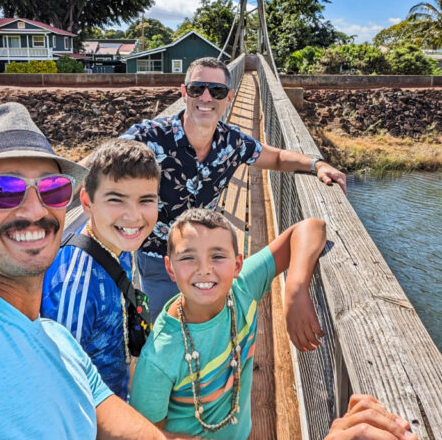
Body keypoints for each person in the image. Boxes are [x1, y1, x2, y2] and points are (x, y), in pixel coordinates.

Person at [0, 102, 417, 440]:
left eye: (48, 188)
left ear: (66, 202)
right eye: (3, 190)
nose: (33, 209)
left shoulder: (57, 346)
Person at [121, 56, 348, 319]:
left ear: (229, 98)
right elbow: (102, 162)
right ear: (184, 93)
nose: (206, 97)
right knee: (162, 332)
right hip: (158, 259)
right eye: (197, 89)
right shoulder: (150, 137)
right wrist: (64, 180)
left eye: (216, 91)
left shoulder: (233, 142)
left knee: (205, 330)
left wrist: (316, 164)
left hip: (207, 259)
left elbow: (275, 158)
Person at [130, 209, 327, 440]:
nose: (204, 269)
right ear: (170, 268)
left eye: (217, 256)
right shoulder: (159, 358)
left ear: (237, 264)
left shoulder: (243, 287)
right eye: (188, 257)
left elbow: (312, 227)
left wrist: (295, 289)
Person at [41, 139, 160, 399]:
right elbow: (58, 389)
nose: (133, 216)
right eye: (116, 200)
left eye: (146, 200)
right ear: (86, 201)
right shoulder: (75, 287)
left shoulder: (118, 245)